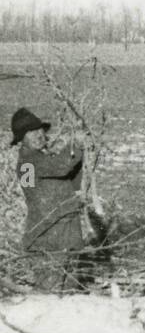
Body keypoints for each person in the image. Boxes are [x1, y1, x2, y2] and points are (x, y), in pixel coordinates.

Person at [11, 107, 90, 291]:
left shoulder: (39, 161)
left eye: (40, 130)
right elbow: (61, 167)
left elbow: (66, 178)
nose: (39, 135)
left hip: (65, 233)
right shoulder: (28, 162)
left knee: (68, 293)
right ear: (21, 139)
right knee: (49, 295)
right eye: (31, 132)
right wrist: (75, 145)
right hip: (48, 238)